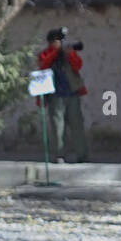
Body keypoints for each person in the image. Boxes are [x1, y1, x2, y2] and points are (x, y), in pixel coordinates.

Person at [38, 27, 88, 164]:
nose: (60, 43)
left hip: (72, 94)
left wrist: (70, 53)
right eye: (57, 40)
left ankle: (82, 155)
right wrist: (55, 52)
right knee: (57, 127)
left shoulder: (68, 53)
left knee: (77, 125)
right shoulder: (45, 54)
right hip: (55, 96)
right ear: (51, 42)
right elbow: (43, 65)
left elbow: (78, 66)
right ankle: (59, 155)